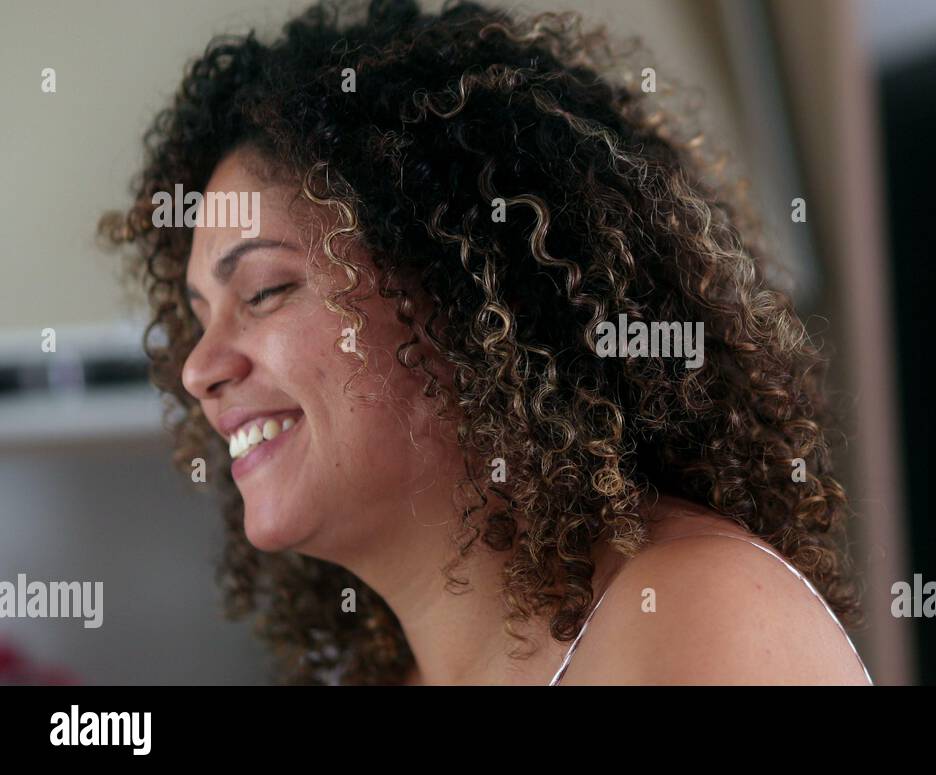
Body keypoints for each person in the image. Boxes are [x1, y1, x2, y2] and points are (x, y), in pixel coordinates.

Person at [99, 0, 871, 686]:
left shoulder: (696, 612)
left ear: (462, 288)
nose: (199, 369)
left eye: (264, 292)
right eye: (199, 317)